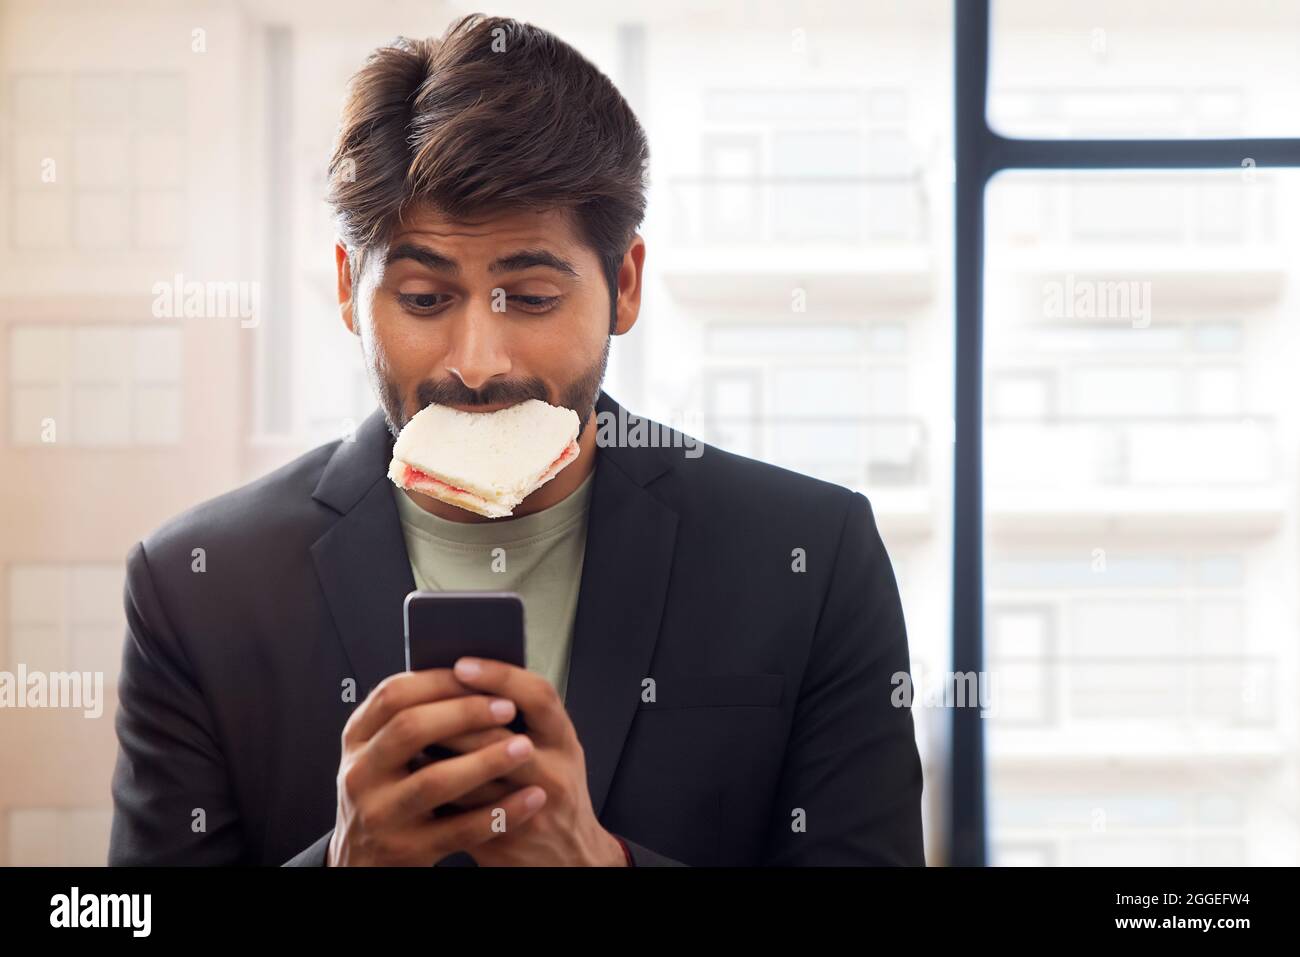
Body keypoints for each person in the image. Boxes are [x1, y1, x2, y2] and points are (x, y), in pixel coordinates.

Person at [108, 13, 924, 867]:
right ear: (352, 289)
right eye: (424, 298)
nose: (475, 363)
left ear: (625, 285)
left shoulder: (810, 557)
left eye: (531, 298)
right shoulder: (195, 586)